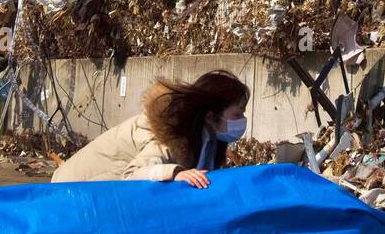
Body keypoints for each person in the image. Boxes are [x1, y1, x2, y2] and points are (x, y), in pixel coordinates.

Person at [51, 70, 249, 187]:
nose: (242, 120)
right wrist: (175, 173)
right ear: (210, 116)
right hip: (70, 190)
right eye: (237, 114)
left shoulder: (209, 139)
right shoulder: (168, 136)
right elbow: (132, 175)